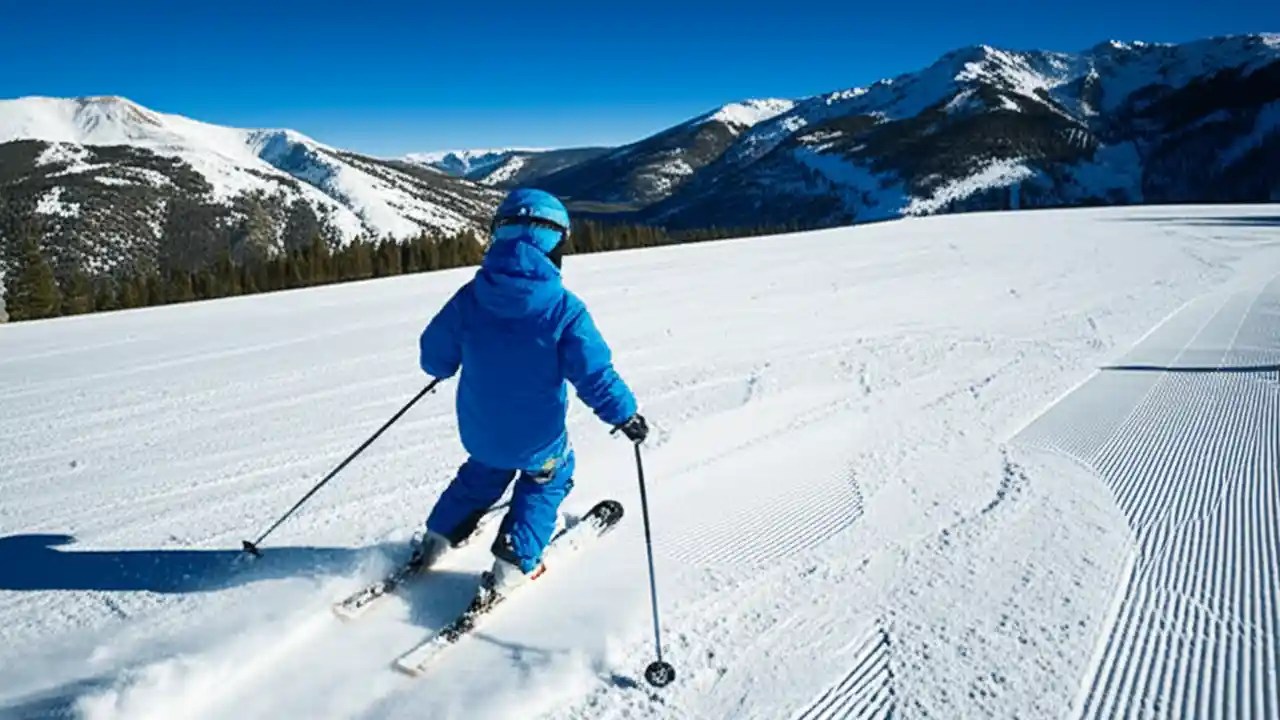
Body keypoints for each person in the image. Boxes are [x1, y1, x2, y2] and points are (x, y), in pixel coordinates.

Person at [416, 188, 649, 594]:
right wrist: (625, 416)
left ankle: (437, 538)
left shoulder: (470, 297)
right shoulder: (563, 308)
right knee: (549, 479)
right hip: (537, 440)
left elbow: (434, 358)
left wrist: (447, 364)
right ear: (557, 242)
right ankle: (513, 561)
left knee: (482, 473)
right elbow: (595, 375)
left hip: (480, 433)